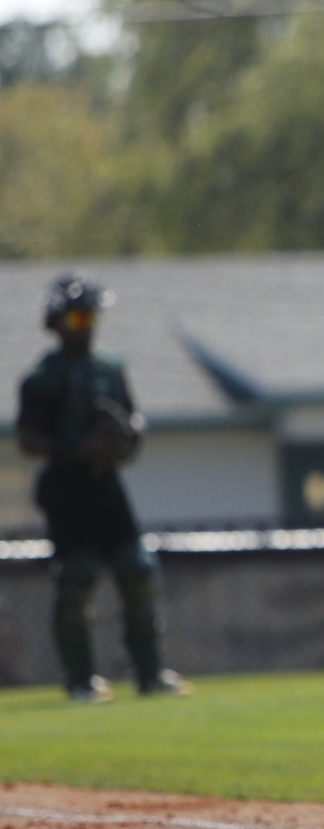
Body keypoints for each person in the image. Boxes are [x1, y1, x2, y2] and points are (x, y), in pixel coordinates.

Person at [15, 274, 188, 703]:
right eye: (75, 316)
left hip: (106, 483)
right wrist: (79, 448)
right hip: (66, 487)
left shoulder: (110, 367)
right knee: (80, 577)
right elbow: (28, 439)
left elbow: (131, 416)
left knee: (139, 570)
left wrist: (127, 436)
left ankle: (150, 675)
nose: (85, 324)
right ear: (56, 323)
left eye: (90, 316)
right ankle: (81, 681)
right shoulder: (44, 376)